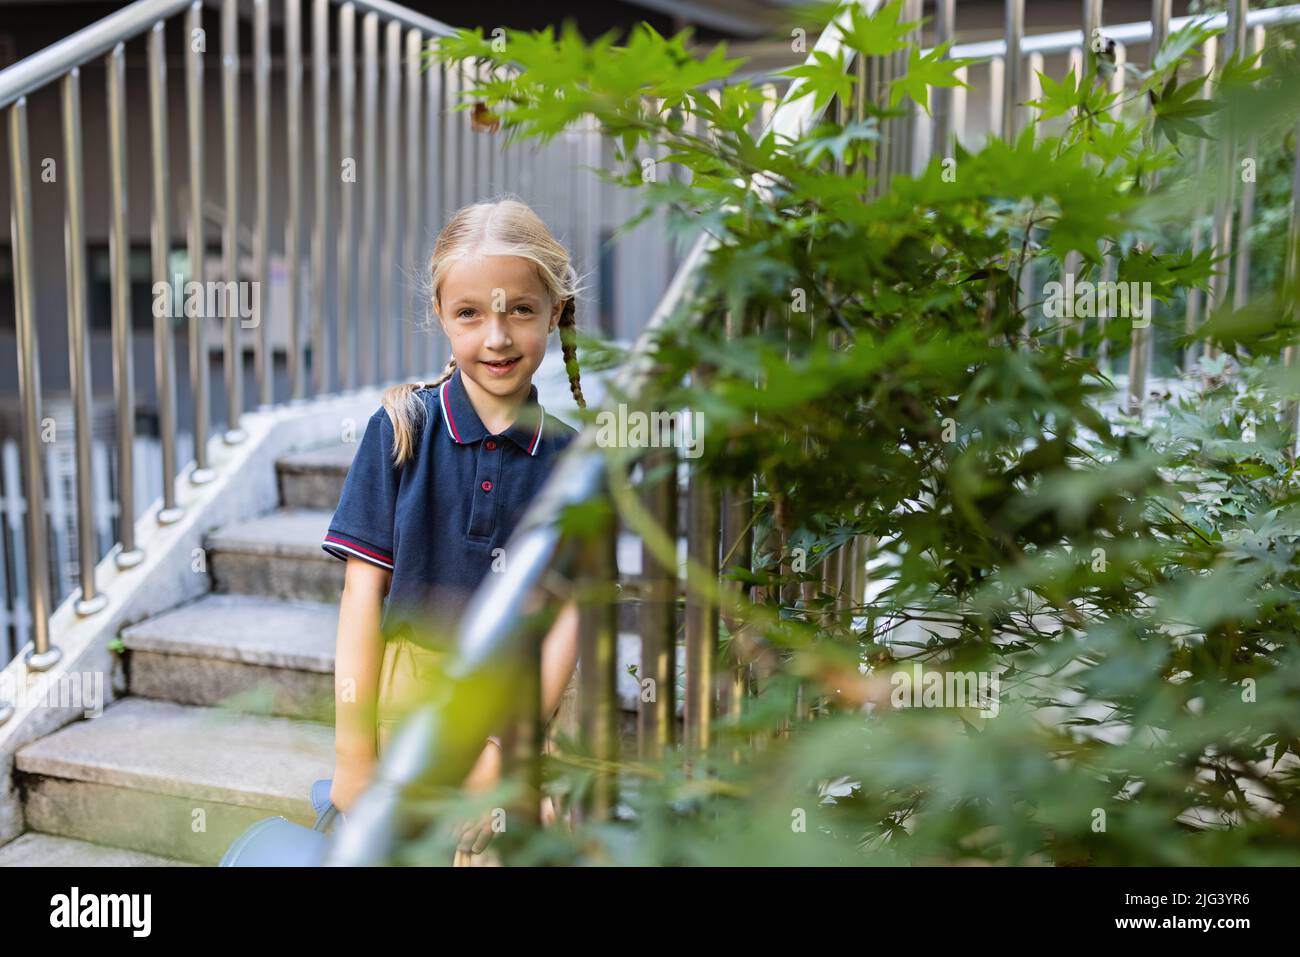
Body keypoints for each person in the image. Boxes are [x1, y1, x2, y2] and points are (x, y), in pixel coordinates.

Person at [321, 196, 587, 864]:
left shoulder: (571, 464)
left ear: (554, 313)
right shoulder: (400, 430)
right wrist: (353, 753)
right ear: (440, 314)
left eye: (519, 310)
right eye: (469, 313)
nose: (495, 337)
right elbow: (361, 598)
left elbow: (564, 619)